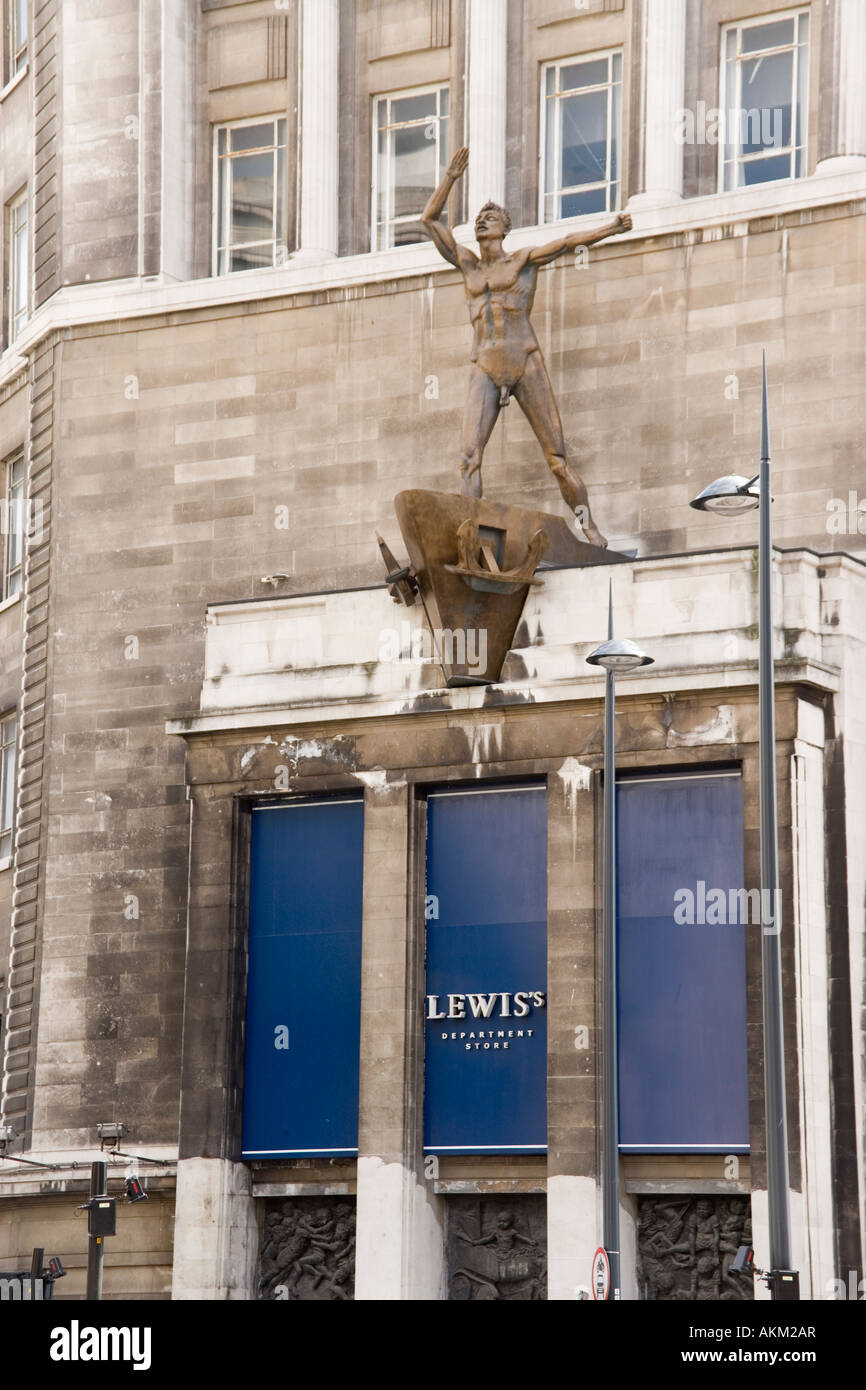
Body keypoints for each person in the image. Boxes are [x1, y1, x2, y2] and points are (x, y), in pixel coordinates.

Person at [421, 146, 632, 548]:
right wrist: (450, 177)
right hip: (483, 363)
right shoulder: (466, 264)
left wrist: (611, 228)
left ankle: (588, 526)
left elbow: (569, 242)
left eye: (491, 218)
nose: (482, 221)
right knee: (467, 457)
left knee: (556, 460)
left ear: (505, 228)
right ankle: (472, 538)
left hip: (524, 361)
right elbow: (429, 219)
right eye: (479, 218)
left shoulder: (523, 261)